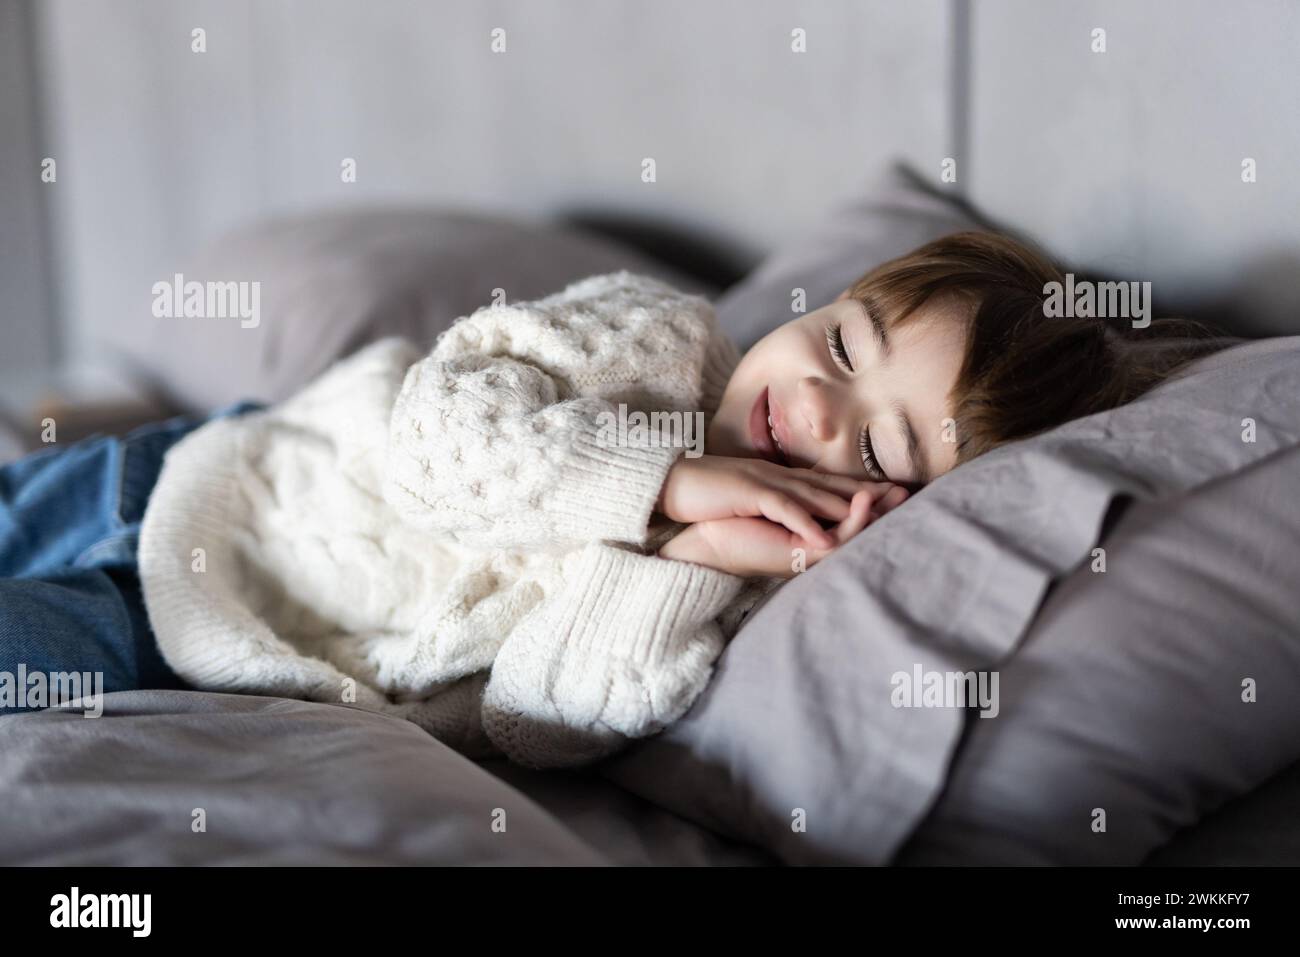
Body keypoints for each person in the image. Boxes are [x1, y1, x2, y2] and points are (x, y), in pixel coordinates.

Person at [0, 231, 1219, 768]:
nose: (820, 413)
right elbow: (443, 441)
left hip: (191, 641)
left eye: (881, 453)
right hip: (194, 485)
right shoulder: (651, 337)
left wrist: (690, 553)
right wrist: (666, 475)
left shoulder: (733, 583)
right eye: (841, 348)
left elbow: (535, 724)